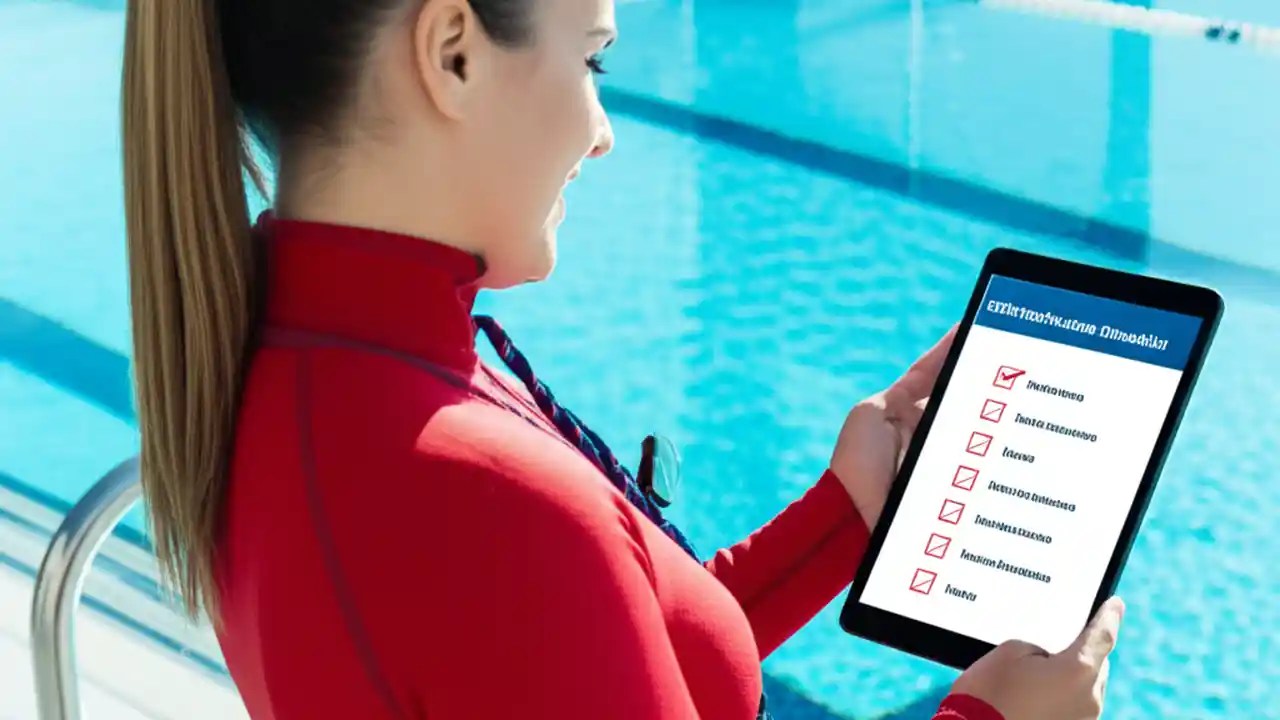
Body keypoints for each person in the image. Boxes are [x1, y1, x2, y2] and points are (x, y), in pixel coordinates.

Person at [119, 0, 1123, 717]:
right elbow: (548, 596)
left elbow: (587, 652)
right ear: (452, 52)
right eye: (591, 60)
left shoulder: (287, 365)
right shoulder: (477, 494)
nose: (600, 136)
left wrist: (844, 512)